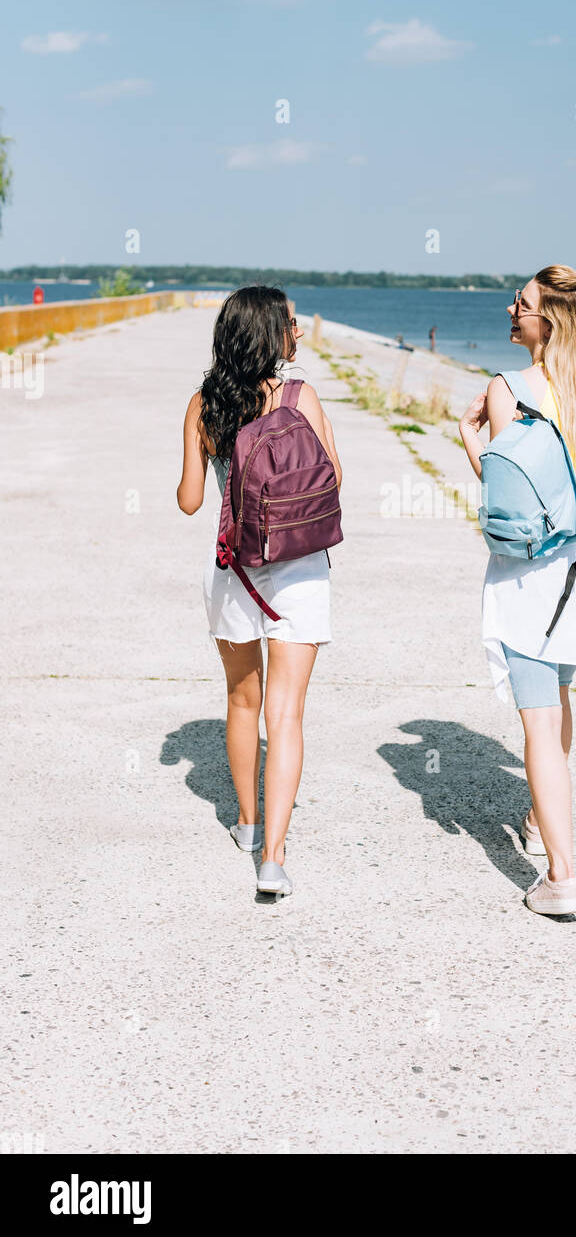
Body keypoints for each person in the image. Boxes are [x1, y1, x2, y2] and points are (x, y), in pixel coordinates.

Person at [459, 265, 576, 917]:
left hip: (533, 576)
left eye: (521, 302)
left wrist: (468, 439)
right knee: (556, 697)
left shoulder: (508, 390)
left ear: (547, 319)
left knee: (536, 718)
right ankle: (537, 818)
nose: (510, 308)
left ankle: (561, 877)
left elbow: (506, 510)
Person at [177, 286, 342, 897]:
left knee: (243, 702)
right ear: (275, 333)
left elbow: (191, 500)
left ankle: (247, 824)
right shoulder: (302, 395)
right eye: (292, 323)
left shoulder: (204, 402)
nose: (298, 331)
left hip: (233, 572)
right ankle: (273, 860)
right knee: (288, 714)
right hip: (299, 569)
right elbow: (336, 480)